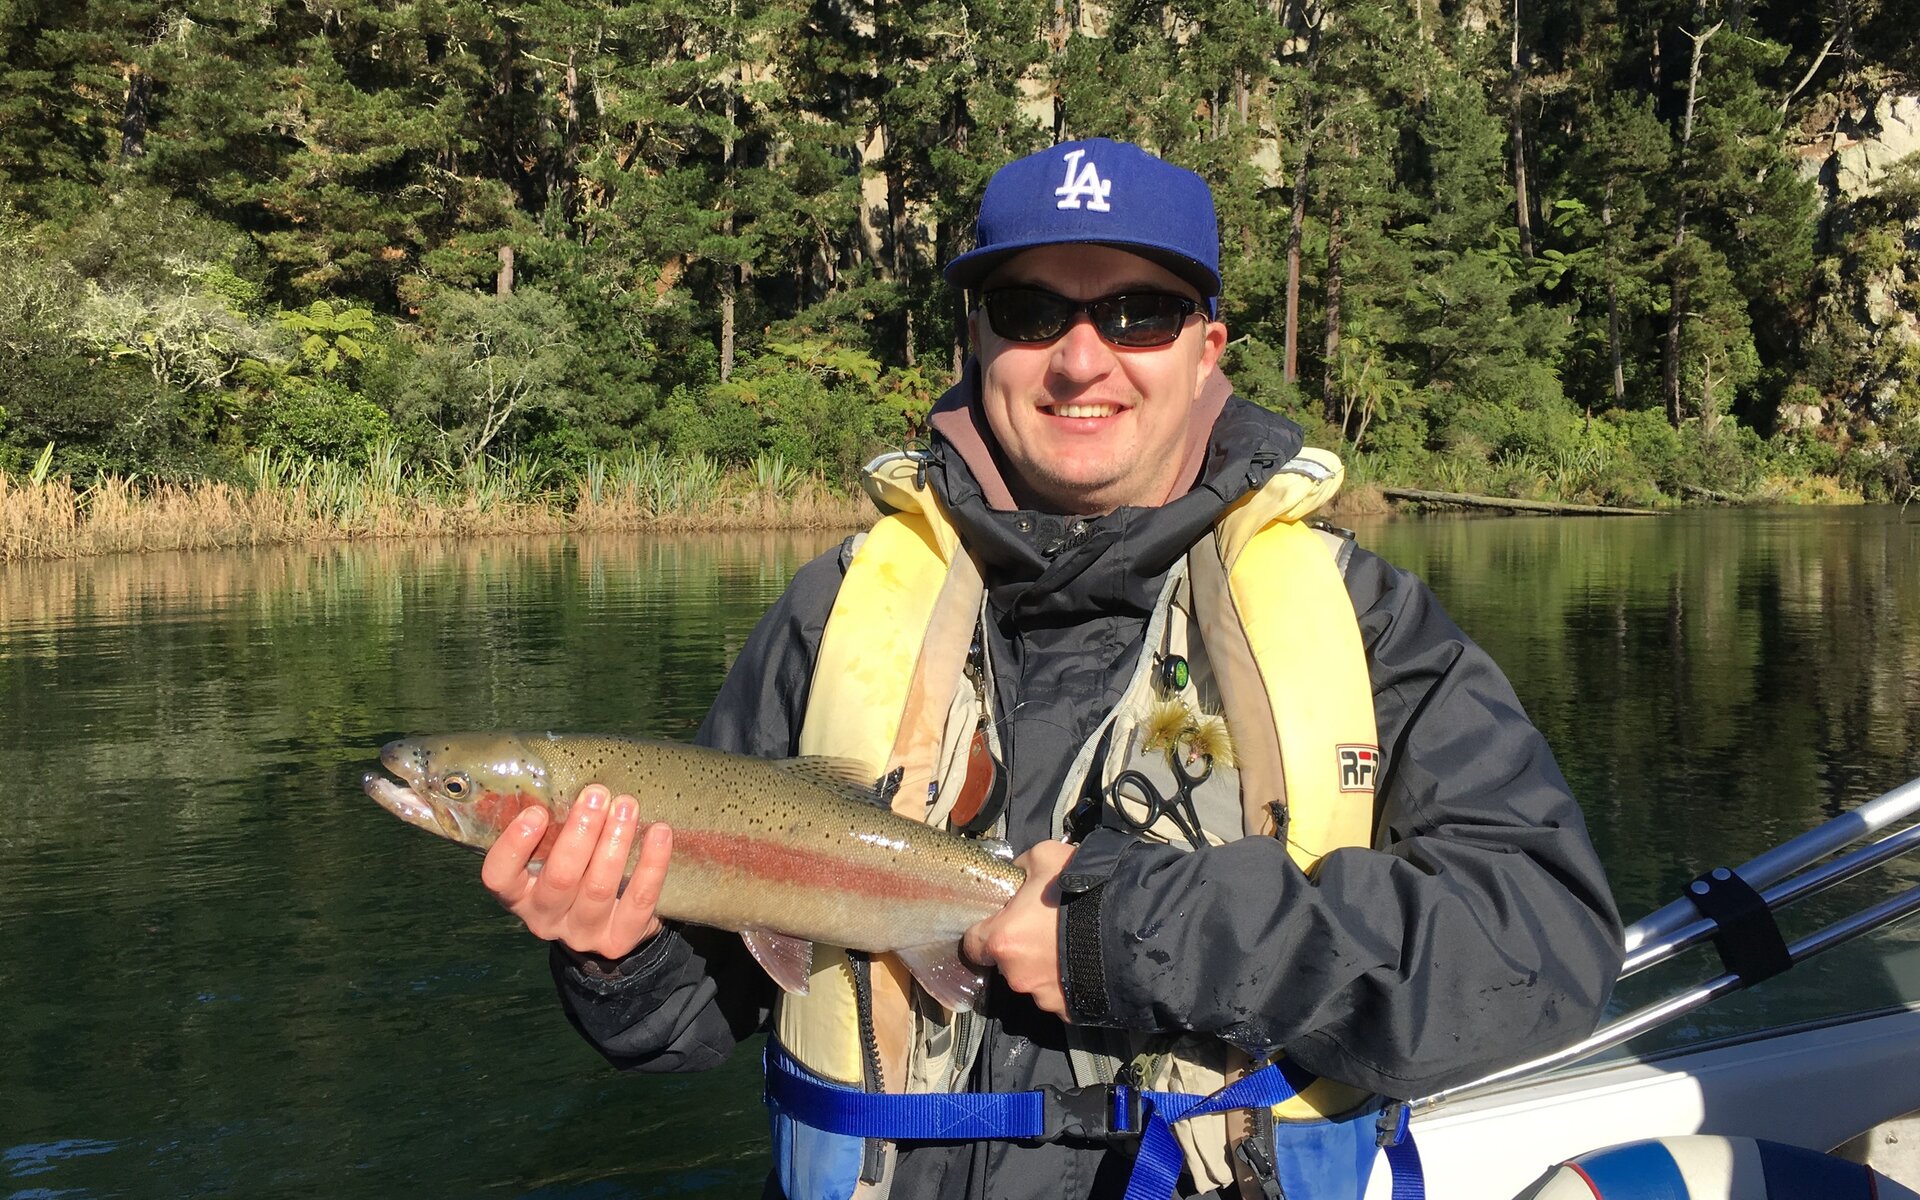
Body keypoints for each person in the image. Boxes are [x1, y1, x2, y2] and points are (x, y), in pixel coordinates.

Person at [480, 137, 1624, 1200]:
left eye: (1139, 312)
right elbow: (686, 1025)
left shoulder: (1363, 618)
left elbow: (1543, 949)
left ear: (1206, 347)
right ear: (976, 339)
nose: (1083, 360)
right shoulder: (836, 614)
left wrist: (1130, 937)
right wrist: (615, 953)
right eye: (1033, 311)